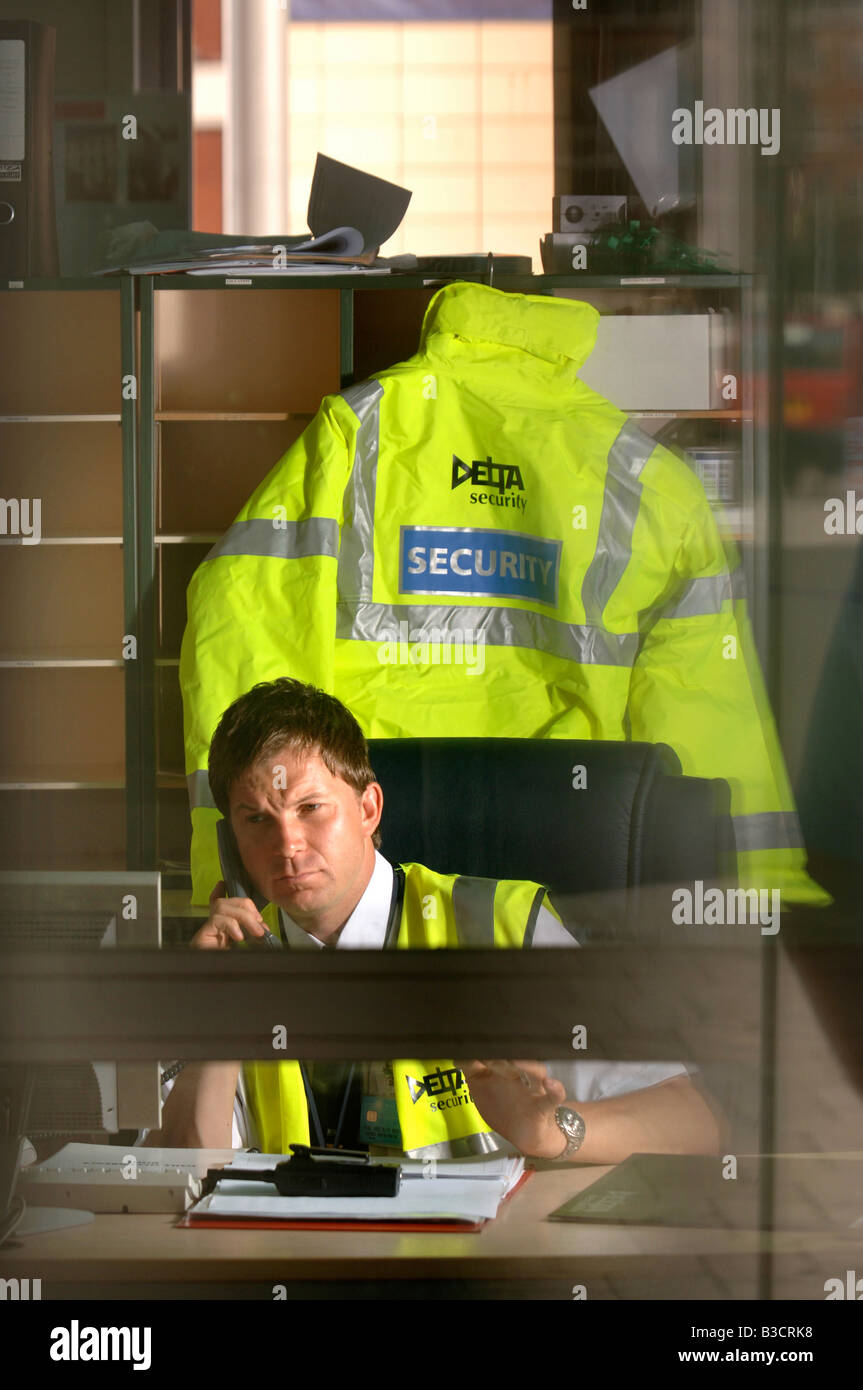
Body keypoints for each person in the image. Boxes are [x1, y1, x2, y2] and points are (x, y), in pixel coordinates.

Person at [179, 280, 827, 911]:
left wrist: (244, 877)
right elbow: (706, 703)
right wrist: (756, 895)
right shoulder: (647, 477)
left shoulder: (356, 433)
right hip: (574, 853)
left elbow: (239, 617)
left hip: (377, 847)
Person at [145, 678, 719, 1163]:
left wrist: (550, 1131)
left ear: (368, 808)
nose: (288, 845)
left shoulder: (497, 928)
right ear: (231, 840)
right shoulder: (231, 965)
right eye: (256, 819)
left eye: (310, 808)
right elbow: (177, 1178)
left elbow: (690, 1119)